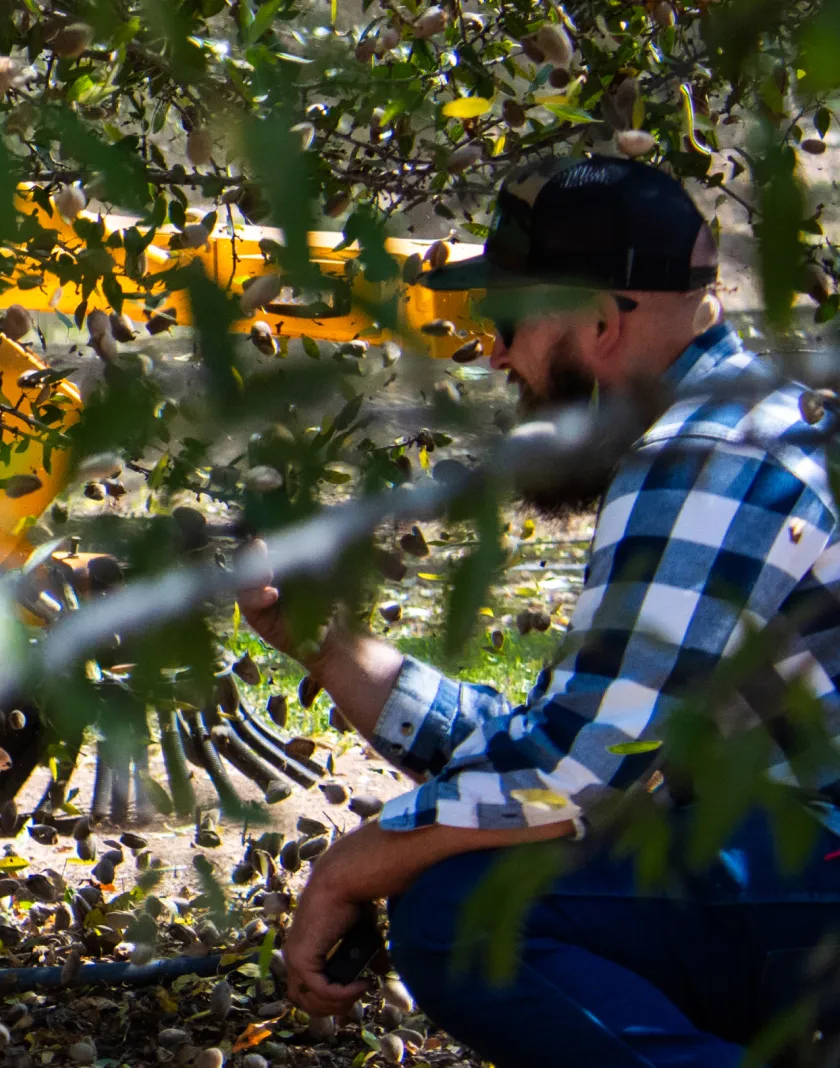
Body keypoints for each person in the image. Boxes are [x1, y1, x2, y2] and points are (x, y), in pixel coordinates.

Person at [245, 156, 840, 1066]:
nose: (496, 353)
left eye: (511, 320)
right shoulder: (730, 427)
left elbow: (569, 775)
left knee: (465, 914)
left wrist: (353, 864)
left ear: (601, 323)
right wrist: (325, 648)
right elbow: (569, 749)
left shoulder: (709, 460)